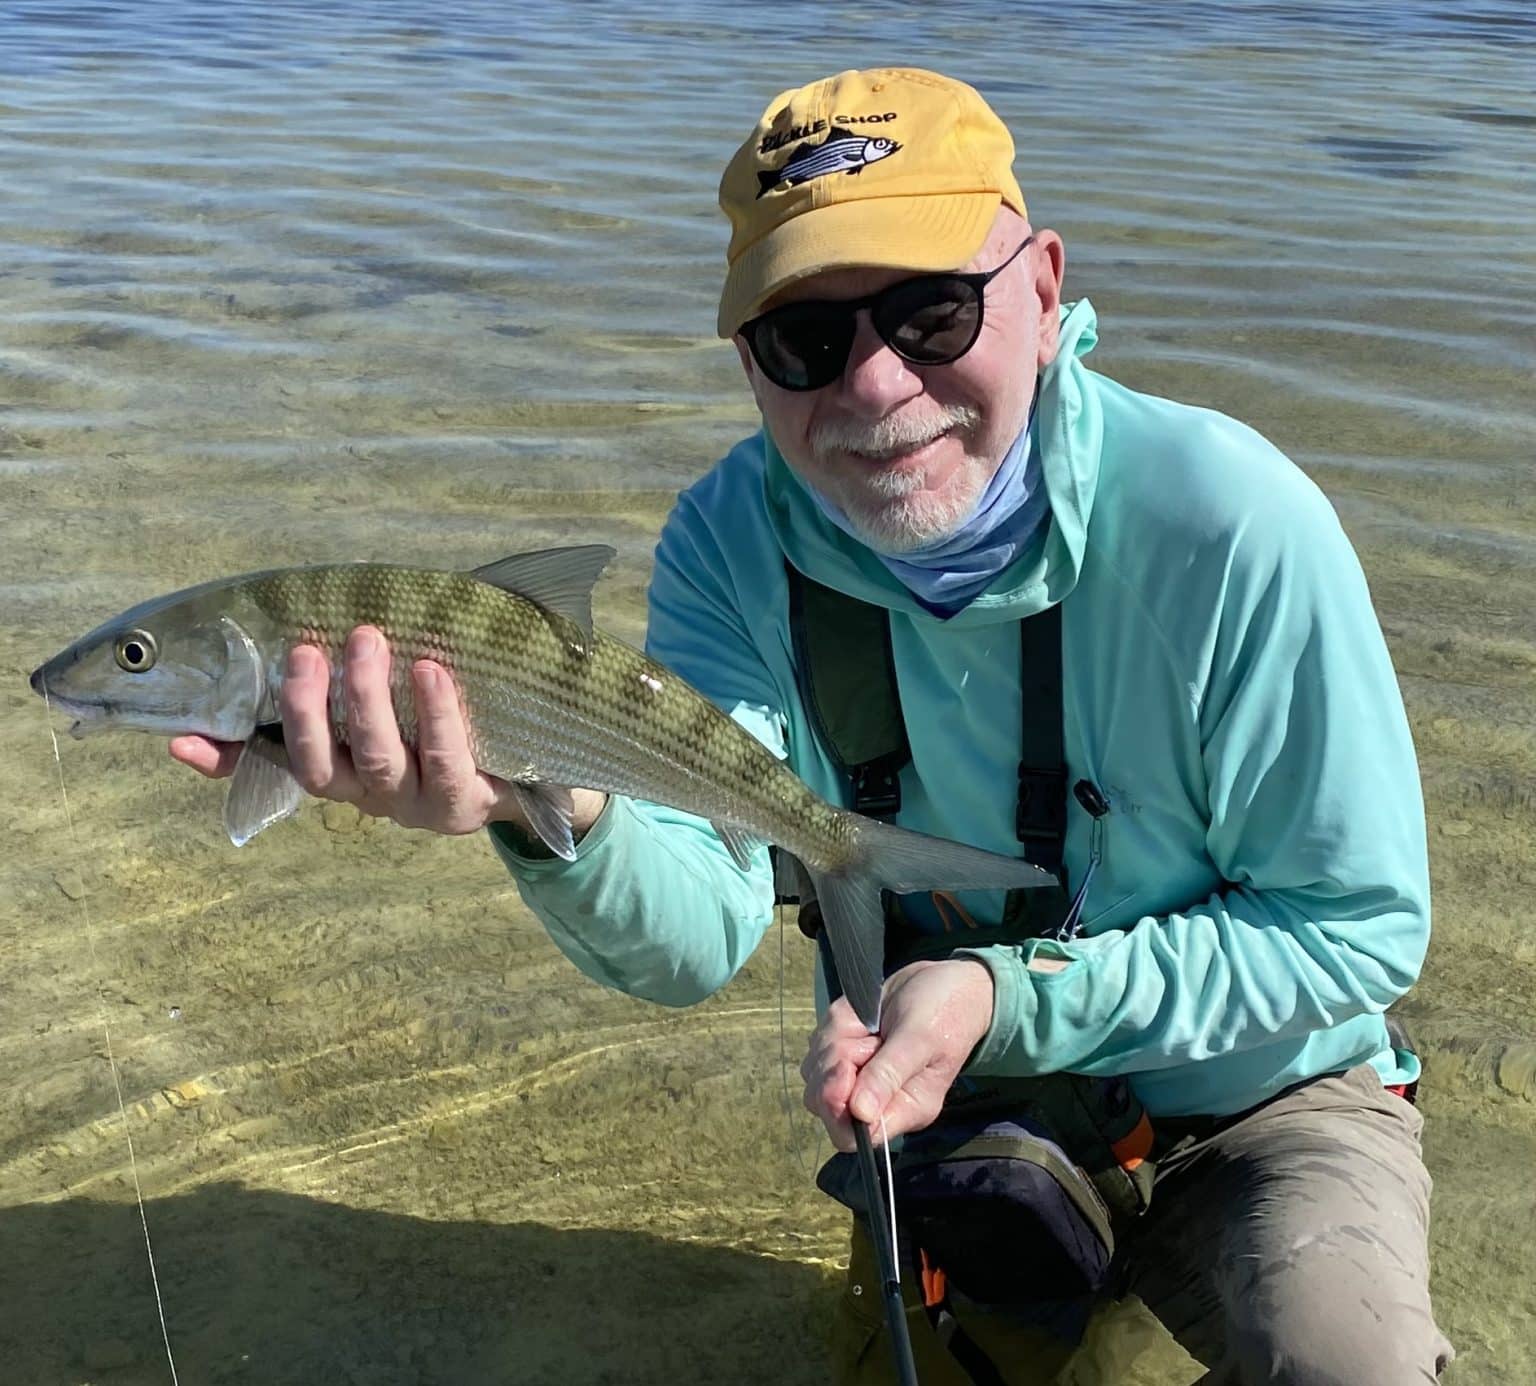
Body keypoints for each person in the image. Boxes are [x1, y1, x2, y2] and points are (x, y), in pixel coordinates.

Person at [172, 67, 1453, 1384]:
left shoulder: (1233, 523)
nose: (877, 383)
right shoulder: (733, 542)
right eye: (805, 342)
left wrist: (1006, 998)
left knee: (1349, 1363)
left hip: (1260, 1095)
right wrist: (549, 804)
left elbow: (1355, 926)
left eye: (932, 309)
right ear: (747, 359)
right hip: (956, 1089)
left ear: (1044, 283)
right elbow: (700, 930)